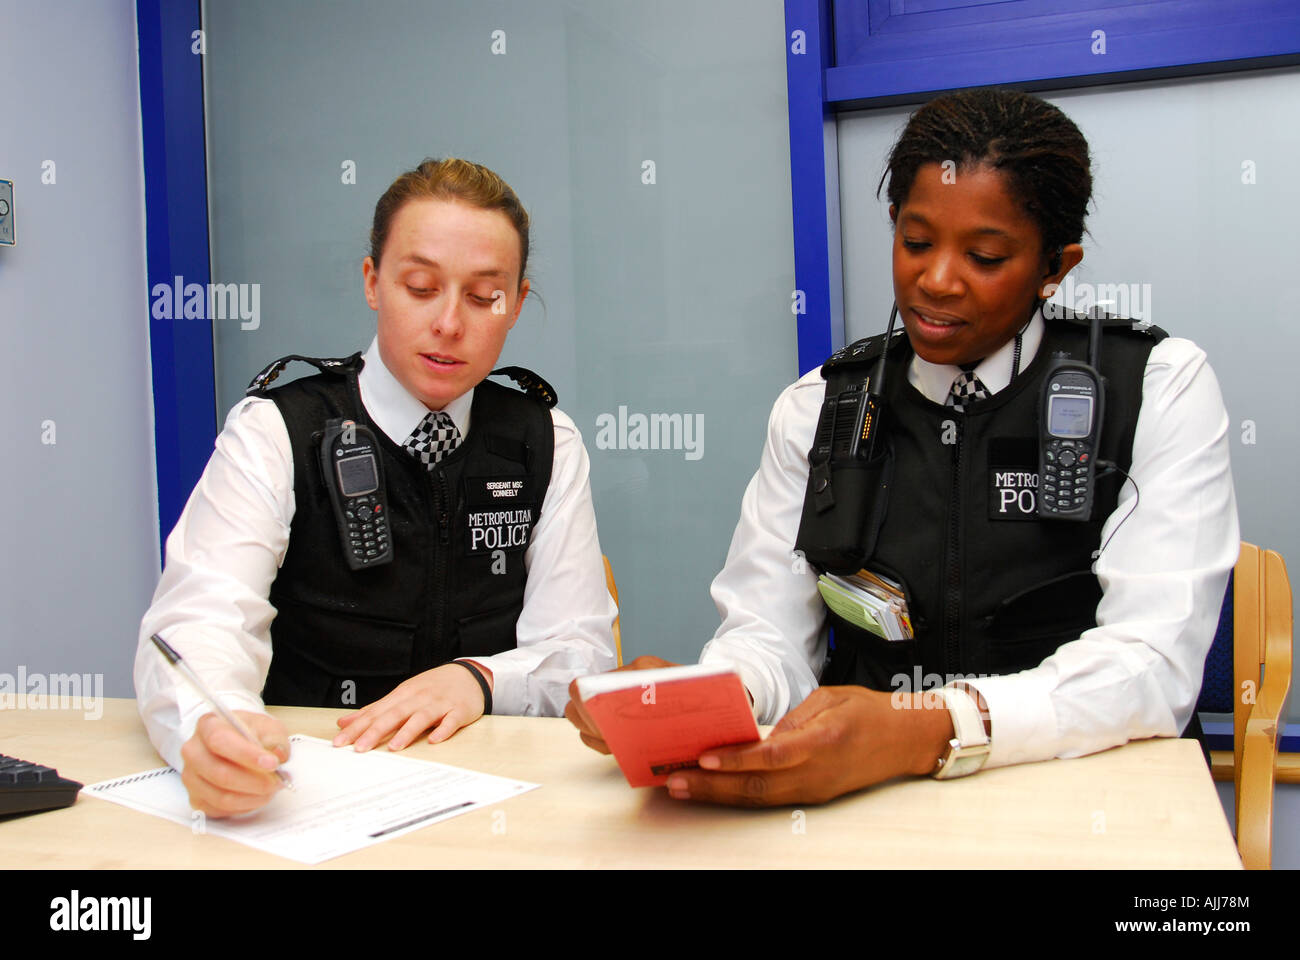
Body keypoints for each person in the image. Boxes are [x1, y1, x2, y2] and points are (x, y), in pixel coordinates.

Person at [566, 88, 1238, 805]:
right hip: (868, 801)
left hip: (1082, 797)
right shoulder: (818, 407)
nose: (936, 279)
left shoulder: (1155, 387)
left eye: (984, 255)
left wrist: (926, 727)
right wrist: (710, 702)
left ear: (1055, 267)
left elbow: (1151, 666)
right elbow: (768, 634)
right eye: (916, 241)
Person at [137, 158, 617, 817]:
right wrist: (211, 726)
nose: (450, 323)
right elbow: (200, 620)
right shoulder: (277, 431)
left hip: (494, 801)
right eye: (420, 287)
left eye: (484, 297)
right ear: (372, 281)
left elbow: (578, 656)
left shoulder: (544, 440)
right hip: (304, 795)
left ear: (516, 304)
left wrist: (480, 679)